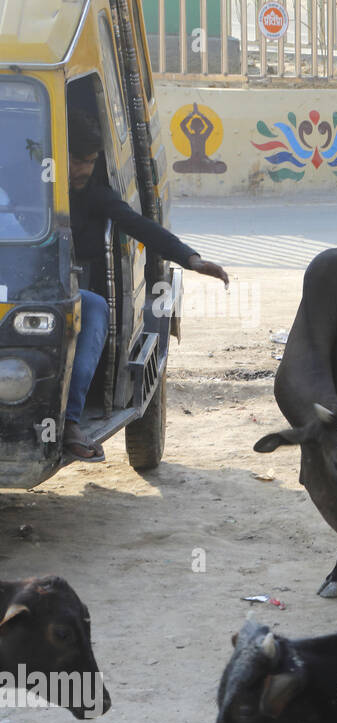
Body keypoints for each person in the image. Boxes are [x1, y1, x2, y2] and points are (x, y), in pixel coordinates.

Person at [67, 109, 229, 461]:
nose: (83, 170)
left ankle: (68, 422)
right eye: (77, 161)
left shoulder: (95, 194)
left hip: (66, 292)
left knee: (93, 307)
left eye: (90, 162)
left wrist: (191, 259)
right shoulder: (26, 189)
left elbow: (139, 225)